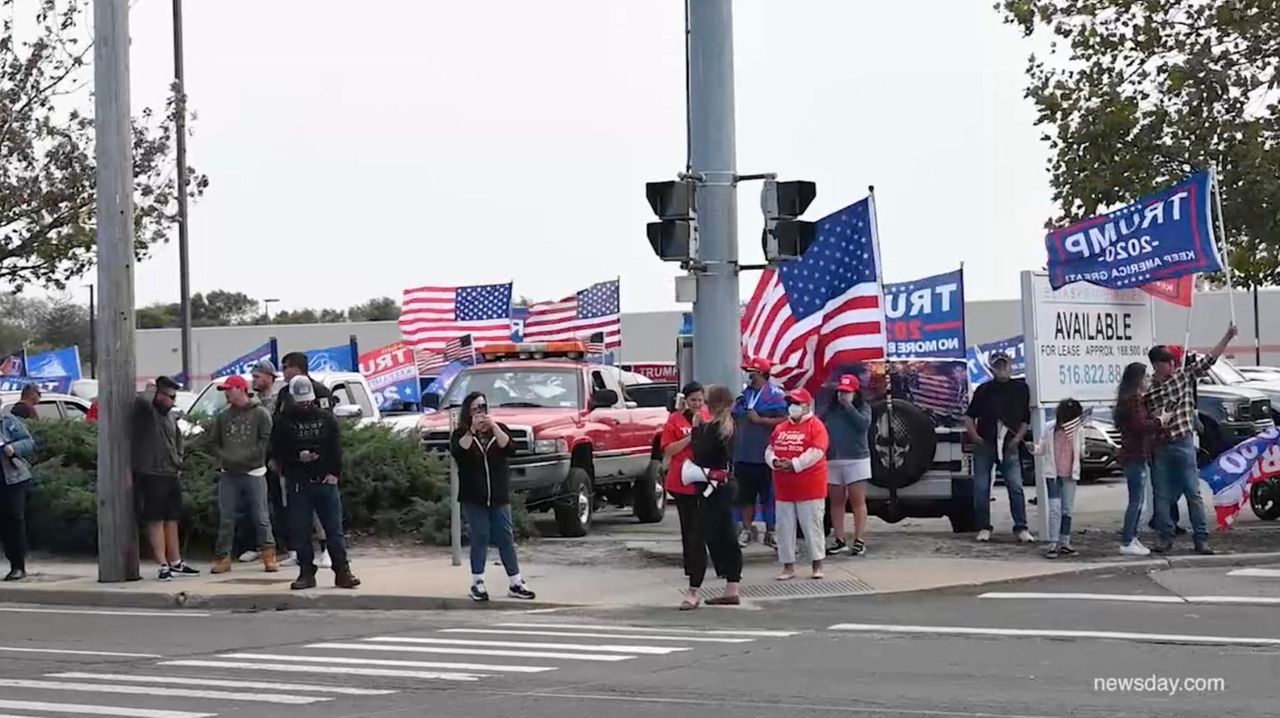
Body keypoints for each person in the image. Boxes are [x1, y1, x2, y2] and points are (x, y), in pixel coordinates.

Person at [1145, 323, 1237, 555]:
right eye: (1166, 363)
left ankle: (1201, 538)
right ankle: (1165, 537)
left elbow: (1209, 359)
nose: (1171, 366)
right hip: (1162, 445)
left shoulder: (1183, 377)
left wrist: (1226, 336)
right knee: (1162, 495)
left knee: (1193, 493)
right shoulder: (1148, 389)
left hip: (1184, 442)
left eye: (1172, 362)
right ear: (1157, 365)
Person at [270, 375, 359, 590]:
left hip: (324, 481)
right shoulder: (282, 422)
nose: (304, 404)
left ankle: (342, 571)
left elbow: (335, 447)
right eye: (300, 401)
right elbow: (276, 452)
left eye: (307, 400)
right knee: (300, 531)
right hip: (298, 481)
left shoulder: (326, 419)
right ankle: (306, 572)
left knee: (334, 531)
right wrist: (295, 459)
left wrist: (334, 473)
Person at [450, 390, 536, 602]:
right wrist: (472, 429)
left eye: (484, 408)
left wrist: (494, 426)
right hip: (474, 496)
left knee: (506, 537)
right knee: (480, 536)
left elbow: (510, 448)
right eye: (476, 409)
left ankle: (516, 581)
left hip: (498, 495)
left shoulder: (499, 431)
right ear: (468, 412)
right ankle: (477, 581)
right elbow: (459, 451)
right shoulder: (461, 433)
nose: (481, 413)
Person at [676, 385, 743, 609]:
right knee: (725, 534)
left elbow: (700, 454)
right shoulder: (730, 426)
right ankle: (732, 586)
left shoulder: (711, 430)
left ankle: (693, 590)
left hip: (710, 488)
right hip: (725, 487)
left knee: (698, 537)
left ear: (709, 404)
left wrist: (695, 429)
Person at [131, 376, 200, 581]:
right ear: (158, 395)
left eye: (174, 396)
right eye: (168, 396)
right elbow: (143, 400)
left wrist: (179, 460)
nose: (172, 400)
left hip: (171, 472)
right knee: (155, 519)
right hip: (151, 472)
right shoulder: (146, 412)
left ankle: (176, 561)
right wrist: (151, 386)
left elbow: (178, 440)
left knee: (172, 518)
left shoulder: (170, 416)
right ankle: (162, 564)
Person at [209, 376, 278, 574]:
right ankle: (223, 557)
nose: (227, 393)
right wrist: (224, 457)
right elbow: (214, 442)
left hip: (254, 472)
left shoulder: (261, 414)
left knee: (261, 516)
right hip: (229, 473)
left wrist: (247, 458)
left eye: (230, 389)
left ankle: (269, 555)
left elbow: (264, 443)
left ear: (241, 389)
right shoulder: (223, 417)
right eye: (225, 390)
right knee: (226, 517)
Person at [965, 351, 1034, 543]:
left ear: (1010, 365)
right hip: (985, 443)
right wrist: (974, 436)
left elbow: (1025, 419)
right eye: (998, 365)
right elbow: (969, 416)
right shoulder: (983, 390)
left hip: (1009, 445)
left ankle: (1021, 527)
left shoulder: (1021, 389)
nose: (1002, 368)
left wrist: (1017, 438)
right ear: (992, 368)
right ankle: (983, 527)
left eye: (1005, 364)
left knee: (1016, 486)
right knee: (981, 488)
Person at [275, 352, 334, 568]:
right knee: (295, 511)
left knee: (321, 511)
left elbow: (329, 429)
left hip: (317, 464)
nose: (283, 372)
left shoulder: (319, 391)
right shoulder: (284, 393)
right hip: (292, 464)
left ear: (296, 368)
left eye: (285, 367)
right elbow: (278, 426)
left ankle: (326, 549)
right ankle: (298, 551)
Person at [765, 389, 829, 581]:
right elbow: (770, 448)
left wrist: (794, 465)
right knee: (785, 528)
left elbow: (817, 452)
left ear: (807, 405)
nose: (792, 406)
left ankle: (817, 564)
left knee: (812, 527)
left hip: (810, 487)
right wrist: (774, 461)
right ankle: (788, 566)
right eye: (790, 403)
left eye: (797, 403)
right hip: (784, 488)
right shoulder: (781, 428)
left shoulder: (816, 426)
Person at [663, 383, 715, 607]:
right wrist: (689, 438)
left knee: (698, 533)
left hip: (701, 483)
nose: (696, 404)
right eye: (693, 400)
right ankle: (691, 568)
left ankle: (696, 580)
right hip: (680, 482)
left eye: (700, 400)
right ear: (685, 400)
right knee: (687, 530)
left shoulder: (707, 417)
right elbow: (669, 450)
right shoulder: (675, 420)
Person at [731, 358, 786, 548]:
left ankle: (771, 531)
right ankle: (747, 529)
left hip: (766, 456)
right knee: (745, 496)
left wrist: (762, 421)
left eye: (752, 372)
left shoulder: (776, 395)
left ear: (762, 373)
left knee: (769, 496)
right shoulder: (745, 395)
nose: (749, 376)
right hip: (744, 455)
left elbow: (784, 420)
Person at [819, 374, 873, 556]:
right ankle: (839, 538)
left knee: (857, 500)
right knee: (836, 501)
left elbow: (863, 425)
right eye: (841, 392)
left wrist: (849, 407)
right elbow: (820, 424)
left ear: (855, 393)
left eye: (847, 392)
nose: (843, 395)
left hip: (856, 458)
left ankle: (859, 539)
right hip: (834, 458)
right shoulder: (831, 410)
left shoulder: (863, 408)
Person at [1027, 399, 1084, 559]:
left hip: (1070, 474)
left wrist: (1083, 452)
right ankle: (1053, 543)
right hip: (1053, 473)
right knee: (1054, 509)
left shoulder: (1078, 430)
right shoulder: (1050, 428)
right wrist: (1033, 448)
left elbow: (1080, 450)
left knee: (1067, 509)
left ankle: (1064, 542)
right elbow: (1041, 448)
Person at [1114, 362, 1159, 557]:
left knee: (1137, 498)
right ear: (1138, 379)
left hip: (1135, 453)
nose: (1149, 380)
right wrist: (1159, 421)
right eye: (1146, 376)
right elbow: (1140, 425)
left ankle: (1132, 536)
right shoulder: (1134, 400)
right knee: (1136, 500)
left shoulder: (1129, 399)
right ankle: (1126, 539)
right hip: (1135, 454)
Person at [248, 358, 289, 565]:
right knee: (257, 504)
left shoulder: (277, 402)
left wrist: (277, 457)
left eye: (258, 376)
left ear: (269, 377)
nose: (254, 379)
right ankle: (262, 545)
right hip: (254, 460)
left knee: (277, 503)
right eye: (253, 376)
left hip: (273, 459)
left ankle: (282, 545)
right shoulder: (251, 402)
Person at [0, 410, 36, 581]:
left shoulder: (8, 421)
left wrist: (13, 448)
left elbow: (29, 442)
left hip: (12, 479)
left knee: (13, 521)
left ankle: (18, 565)